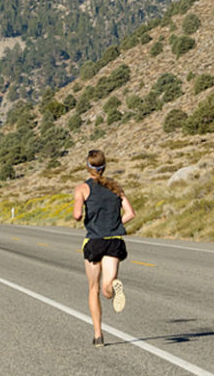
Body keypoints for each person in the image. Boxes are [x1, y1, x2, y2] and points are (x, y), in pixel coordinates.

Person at [73, 148, 136, 348]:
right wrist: (116, 224)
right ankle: (112, 287)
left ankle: (98, 335)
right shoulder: (116, 187)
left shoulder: (82, 188)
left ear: (87, 166)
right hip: (114, 240)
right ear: (104, 166)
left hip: (94, 240)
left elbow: (76, 215)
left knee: (93, 289)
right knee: (107, 288)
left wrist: (82, 213)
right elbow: (130, 213)